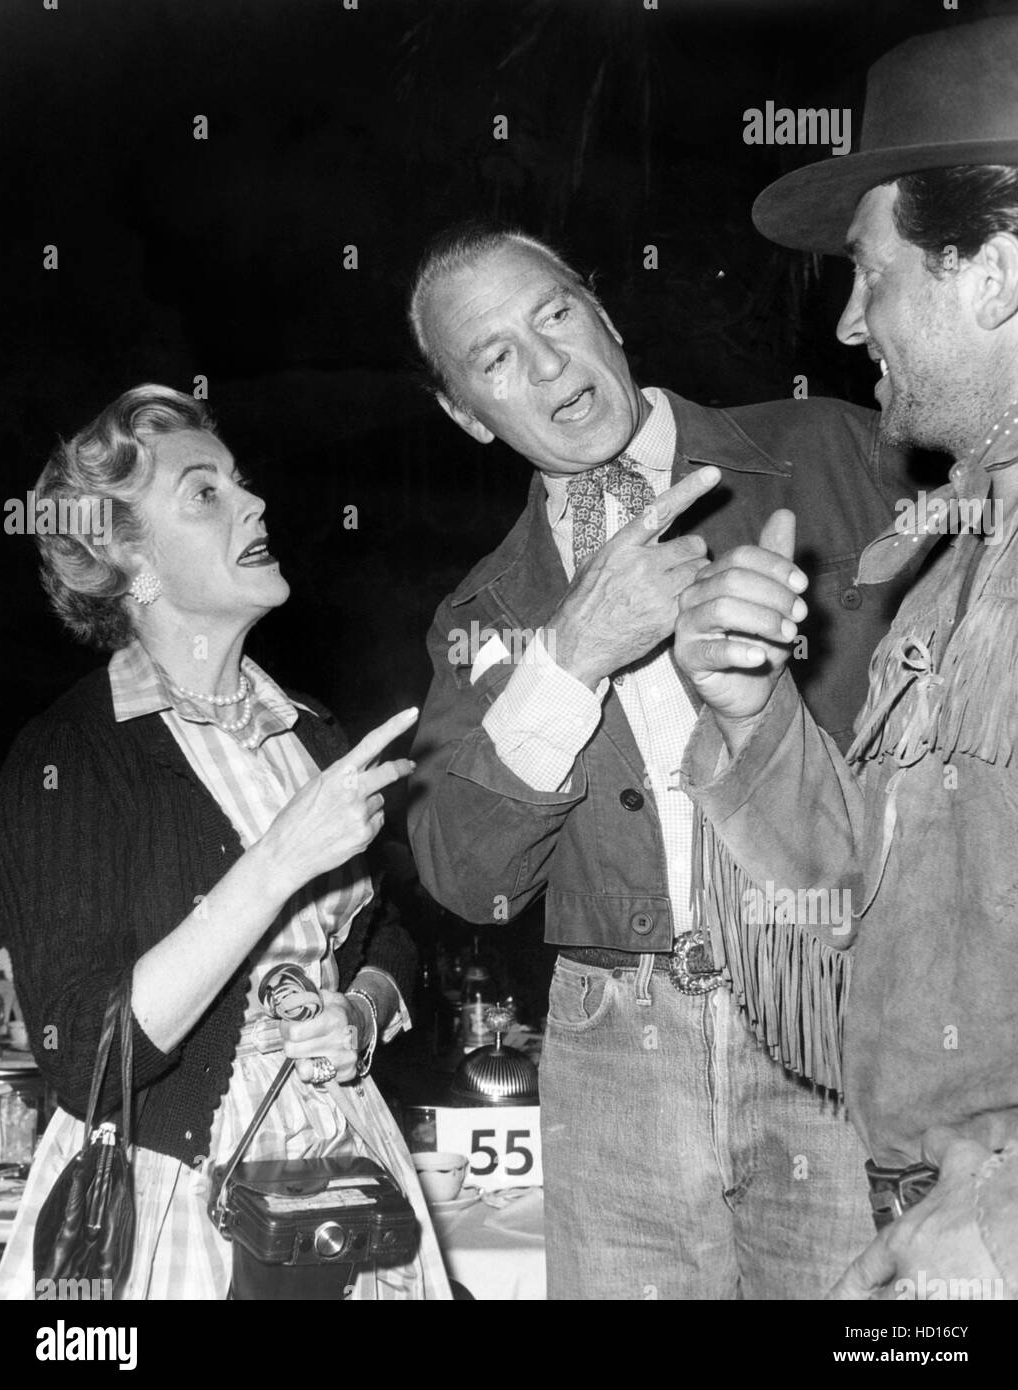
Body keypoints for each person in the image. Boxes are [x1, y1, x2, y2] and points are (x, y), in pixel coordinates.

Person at [405, 222, 919, 1298]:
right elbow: (466, 878)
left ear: (604, 309)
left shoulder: (835, 448)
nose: (546, 364)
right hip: (611, 1044)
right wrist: (572, 657)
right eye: (494, 357)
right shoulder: (483, 612)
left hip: (834, 1006)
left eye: (554, 313)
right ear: (465, 416)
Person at [673, 16, 1018, 1299]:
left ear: (995, 271)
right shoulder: (949, 563)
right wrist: (750, 711)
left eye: (874, 273)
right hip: (928, 1228)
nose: (854, 321)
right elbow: (865, 910)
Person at [0, 384, 451, 1300]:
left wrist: (356, 1012)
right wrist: (278, 861)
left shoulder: (309, 732)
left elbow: (388, 931)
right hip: (171, 1205)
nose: (256, 503)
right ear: (131, 561)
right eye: (206, 493)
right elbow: (87, 1054)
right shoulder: (72, 756)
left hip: (347, 1168)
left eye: (240, 482)